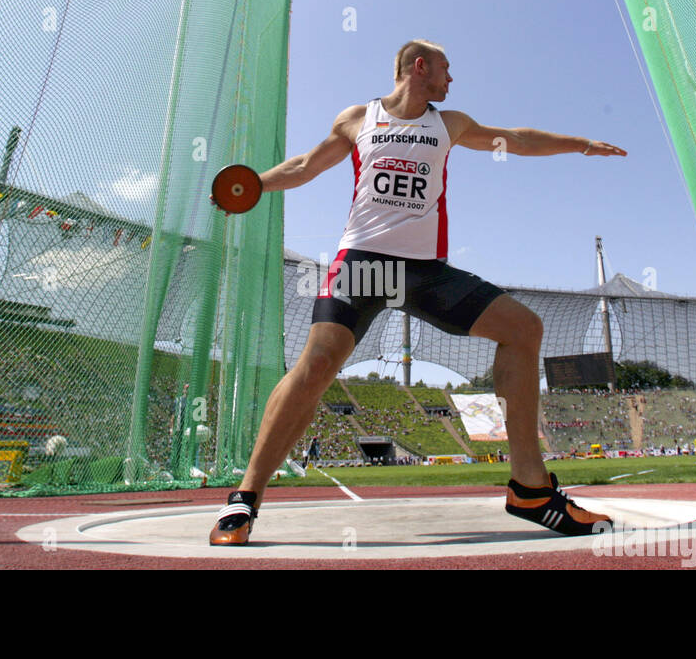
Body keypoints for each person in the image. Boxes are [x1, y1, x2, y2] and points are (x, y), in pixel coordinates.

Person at [209, 40, 623, 545]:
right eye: (447, 69)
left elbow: (514, 138)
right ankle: (244, 499)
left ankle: (531, 491)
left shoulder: (449, 124)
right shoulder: (358, 118)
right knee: (317, 364)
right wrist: (254, 185)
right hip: (362, 263)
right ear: (419, 67)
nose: (452, 81)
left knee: (523, 328)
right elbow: (306, 166)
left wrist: (579, 143)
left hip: (423, 271)